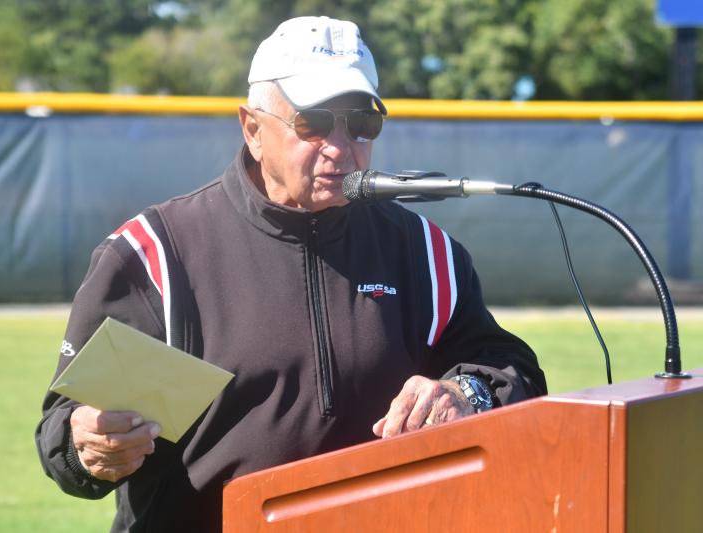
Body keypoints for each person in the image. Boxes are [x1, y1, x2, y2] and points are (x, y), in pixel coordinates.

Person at [35, 15, 547, 532]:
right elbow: (67, 430)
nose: (341, 145)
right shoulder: (156, 254)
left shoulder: (422, 249)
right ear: (252, 129)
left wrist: (465, 395)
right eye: (315, 121)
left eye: (362, 123)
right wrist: (86, 446)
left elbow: (511, 369)